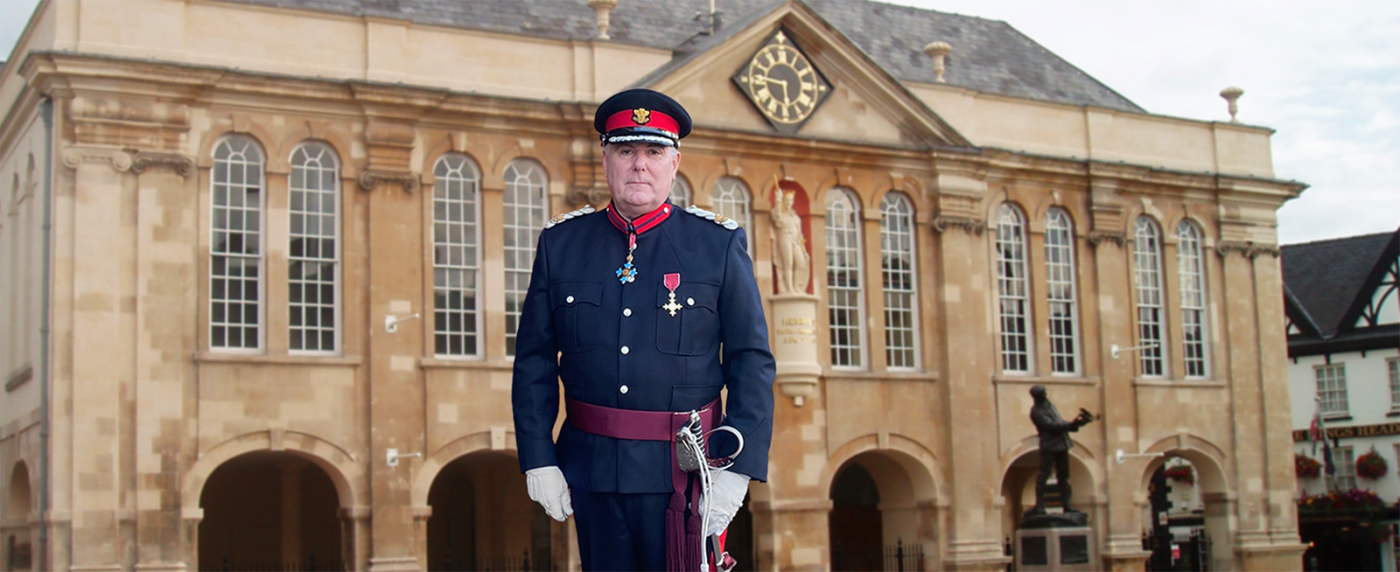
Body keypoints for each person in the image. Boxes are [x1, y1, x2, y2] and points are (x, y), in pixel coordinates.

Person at [511, 88, 776, 572]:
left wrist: (739, 468)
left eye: (654, 152)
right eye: (626, 150)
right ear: (605, 158)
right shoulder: (561, 245)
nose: (640, 165)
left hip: (683, 475)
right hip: (591, 471)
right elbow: (534, 360)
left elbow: (750, 360)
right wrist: (537, 456)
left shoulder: (715, 245)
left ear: (674, 163)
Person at [1026, 384, 1094, 516]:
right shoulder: (1036, 411)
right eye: (1043, 393)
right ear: (1037, 396)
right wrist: (1071, 425)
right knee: (1043, 475)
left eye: (1045, 392)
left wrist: (1076, 424)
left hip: (1062, 443)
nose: (1045, 395)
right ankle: (1039, 505)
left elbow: (1059, 421)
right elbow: (1050, 426)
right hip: (1049, 445)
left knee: (1064, 477)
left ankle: (1067, 505)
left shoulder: (1051, 406)